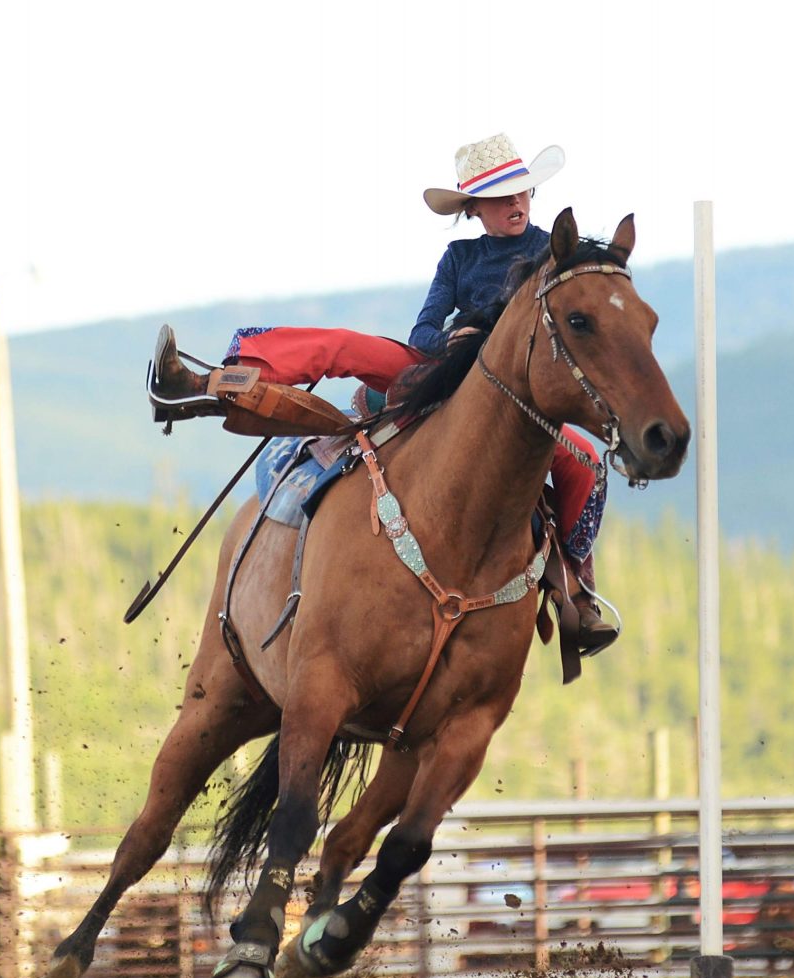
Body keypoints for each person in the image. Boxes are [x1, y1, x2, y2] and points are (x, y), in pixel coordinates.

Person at [149, 133, 617, 652]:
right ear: (473, 208)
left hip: (514, 402)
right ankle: (203, 385)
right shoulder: (460, 257)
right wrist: (452, 342)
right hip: (444, 373)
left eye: (522, 191)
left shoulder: (553, 253)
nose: (515, 202)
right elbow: (422, 333)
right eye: (500, 195)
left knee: (586, 463)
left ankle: (576, 587)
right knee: (348, 346)